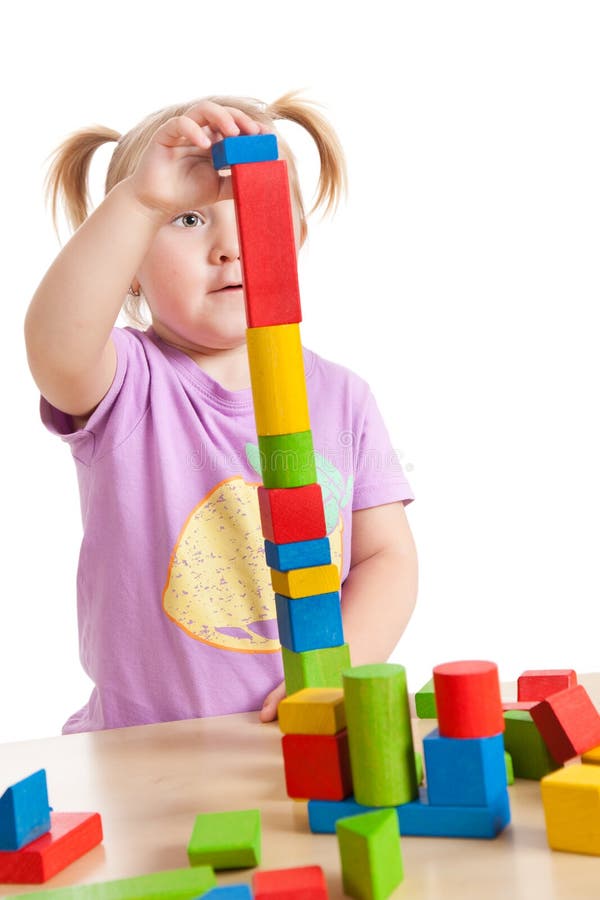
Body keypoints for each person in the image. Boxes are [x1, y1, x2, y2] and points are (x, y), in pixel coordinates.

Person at [24, 91, 418, 734]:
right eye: (188, 219)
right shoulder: (127, 381)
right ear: (127, 268)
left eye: (258, 213)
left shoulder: (345, 398)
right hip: (139, 748)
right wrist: (140, 201)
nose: (232, 246)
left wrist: (343, 670)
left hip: (292, 735)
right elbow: (54, 346)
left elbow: (386, 559)